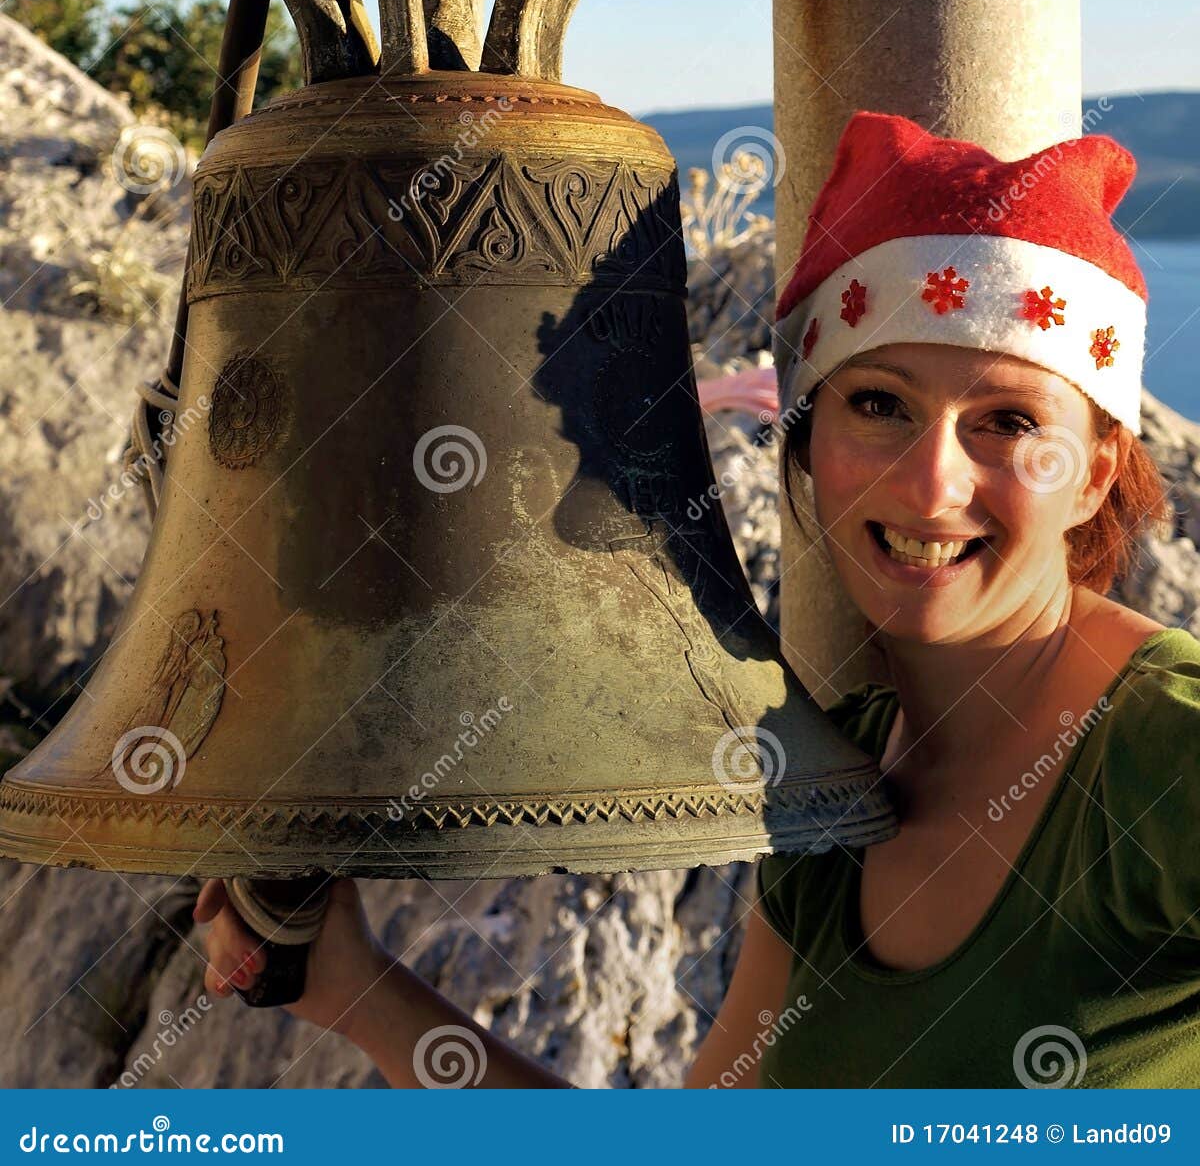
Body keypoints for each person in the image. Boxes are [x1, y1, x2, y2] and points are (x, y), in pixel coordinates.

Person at [196, 109, 1198, 1088]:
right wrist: (364, 996)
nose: (932, 483)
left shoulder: (1164, 754)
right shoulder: (829, 803)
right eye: (879, 404)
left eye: (1007, 420)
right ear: (805, 440)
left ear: (1097, 468)